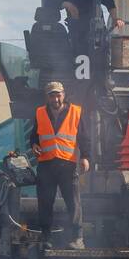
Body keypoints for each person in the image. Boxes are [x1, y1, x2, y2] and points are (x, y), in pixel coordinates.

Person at [27, 81, 90, 249]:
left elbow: (84, 137)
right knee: (45, 202)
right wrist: (34, 145)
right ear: (47, 98)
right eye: (52, 95)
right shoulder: (40, 113)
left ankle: (78, 238)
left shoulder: (76, 112)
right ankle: (46, 238)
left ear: (64, 94)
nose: (55, 98)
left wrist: (85, 157)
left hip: (67, 164)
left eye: (58, 95)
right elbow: (34, 136)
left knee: (73, 202)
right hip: (46, 164)